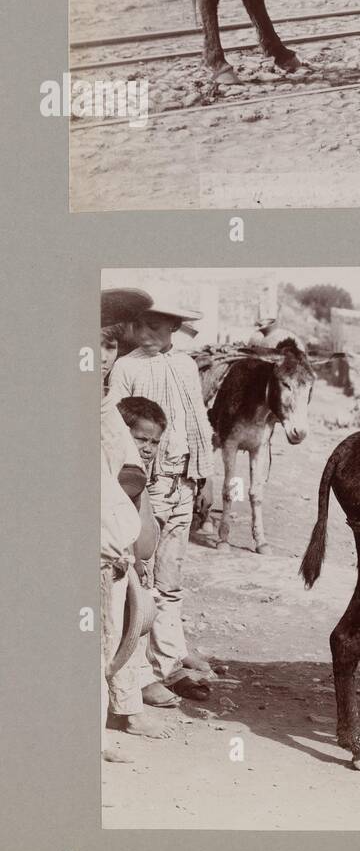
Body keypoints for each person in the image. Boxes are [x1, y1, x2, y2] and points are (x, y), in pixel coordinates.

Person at [105, 291, 216, 706]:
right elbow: (117, 432)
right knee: (139, 585)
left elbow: (199, 421)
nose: (146, 334)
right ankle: (135, 678)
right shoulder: (126, 368)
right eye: (141, 325)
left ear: (174, 328)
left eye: (156, 326)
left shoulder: (186, 365)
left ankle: (169, 665)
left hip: (182, 484)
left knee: (170, 583)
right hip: (145, 487)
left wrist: (206, 475)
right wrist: (134, 486)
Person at [99, 289, 173, 754]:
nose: (101, 355)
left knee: (117, 631)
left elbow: (130, 481)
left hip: (112, 554)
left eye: (109, 344)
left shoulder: (106, 407)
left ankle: (119, 715)